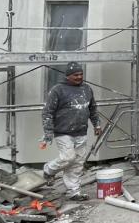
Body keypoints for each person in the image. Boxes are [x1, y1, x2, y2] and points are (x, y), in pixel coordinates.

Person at [41, 62, 103, 200]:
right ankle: (48, 170)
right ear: (68, 76)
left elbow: (92, 109)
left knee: (77, 164)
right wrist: (48, 132)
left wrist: (97, 125)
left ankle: (73, 192)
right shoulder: (58, 90)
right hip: (63, 132)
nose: (79, 77)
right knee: (68, 157)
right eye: (76, 75)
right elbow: (47, 112)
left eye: (81, 74)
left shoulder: (87, 89)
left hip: (81, 131)